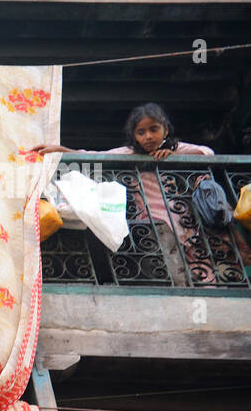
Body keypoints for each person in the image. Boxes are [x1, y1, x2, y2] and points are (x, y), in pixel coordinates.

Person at [35, 103, 216, 285]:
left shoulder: (173, 149)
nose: (148, 136)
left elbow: (207, 153)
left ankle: (208, 286)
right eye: (141, 132)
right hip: (151, 221)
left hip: (180, 216)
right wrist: (60, 150)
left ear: (165, 130)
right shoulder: (129, 153)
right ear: (134, 136)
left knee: (195, 254)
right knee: (166, 264)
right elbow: (93, 156)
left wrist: (172, 155)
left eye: (154, 129)